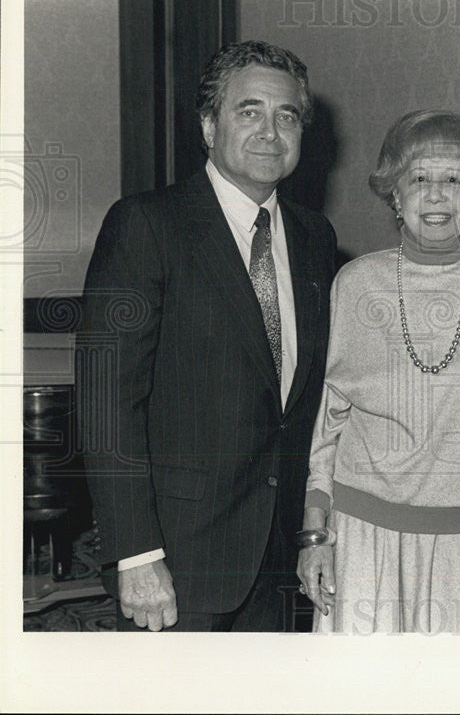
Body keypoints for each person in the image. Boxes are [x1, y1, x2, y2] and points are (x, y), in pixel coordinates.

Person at [77, 40, 337, 631]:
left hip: (282, 562)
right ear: (207, 124)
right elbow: (105, 402)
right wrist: (137, 554)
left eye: (287, 115)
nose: (270, 131)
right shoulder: (145, 225)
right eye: (249, 111)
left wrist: (314, 532)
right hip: (178, 561)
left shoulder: (316, 237)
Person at [297, 110, 460, 634]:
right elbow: (328, 426)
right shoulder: (356, 283)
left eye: (453, 180)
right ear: (395, 194)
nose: (435, 195)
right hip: (364, 531)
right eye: (419, 179)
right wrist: (314, 536)